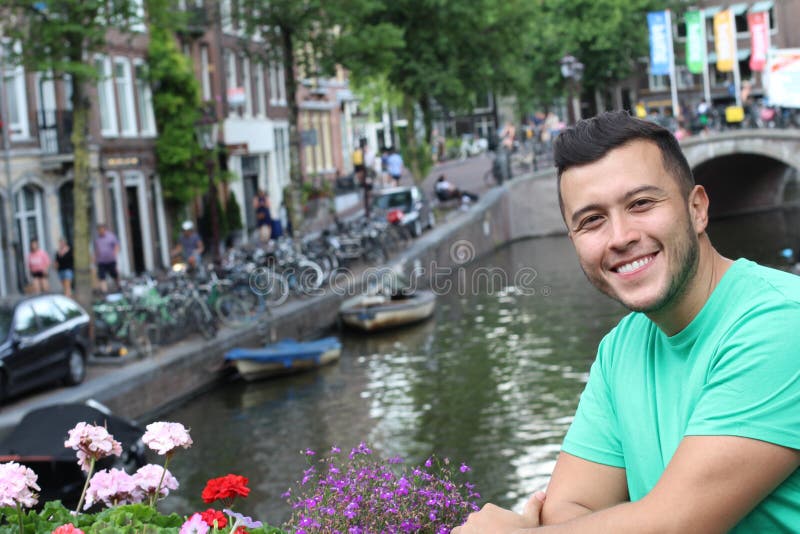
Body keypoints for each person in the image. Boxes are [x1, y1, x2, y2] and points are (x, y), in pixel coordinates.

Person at [453, 111, 800, 533]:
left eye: (640, 204)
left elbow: (674, 524)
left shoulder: (781, 325)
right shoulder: (620, 350)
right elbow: (570, 507)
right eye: (592, 220)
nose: (620, 237)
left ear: (697, 210)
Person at [93, 223, 120, 293]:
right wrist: (95, 258)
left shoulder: (111, 236)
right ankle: (104, 291)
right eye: (98, 230)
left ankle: (118, 286)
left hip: (110, 260)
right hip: (101, 261)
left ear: (104, 229)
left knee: (114, 274)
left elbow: (116, 245)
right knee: (102, 276)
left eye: (101, 230)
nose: (100, 231)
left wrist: (115, 253)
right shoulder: (97, 239)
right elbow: (97, 249)